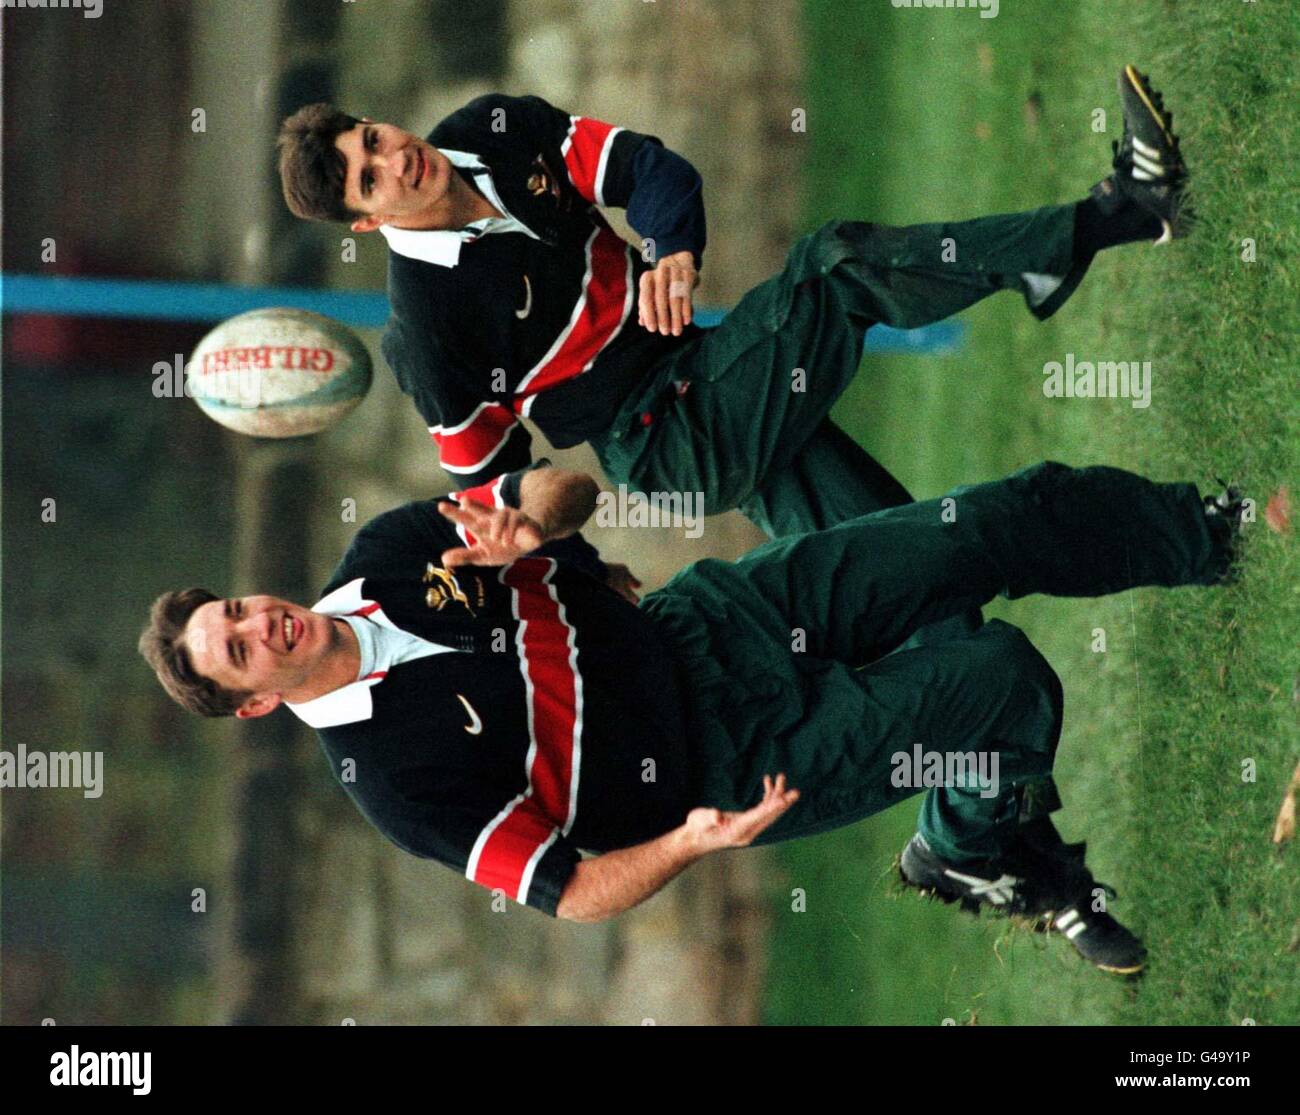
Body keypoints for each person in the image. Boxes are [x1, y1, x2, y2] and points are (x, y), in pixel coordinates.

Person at [139, 459, 1245, 975]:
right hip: (735, 765)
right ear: (253, 704)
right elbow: (569, 892)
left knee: (972, 527)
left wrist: (529, 523)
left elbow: (564, 491)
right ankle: (974, 851)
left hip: (714, 622)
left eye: (236, 607)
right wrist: (686, 840)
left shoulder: (387, 550)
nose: (259, 624)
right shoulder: (390, 781)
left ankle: (1218, 527)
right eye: (238, 650)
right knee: (1000, 681)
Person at [275, 66, 1190, 541]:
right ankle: (1101, 223)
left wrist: (673, 251)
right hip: (663, 439)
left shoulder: (489, 131)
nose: (394, 159)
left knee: (909, 554)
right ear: (364, 222)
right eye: (368, 176)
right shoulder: (426, 332)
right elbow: (492, 489)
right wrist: (582, 566)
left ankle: (966, 840)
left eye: (373, 135)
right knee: (834, 271)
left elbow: (643, 166)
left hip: (707, 367)